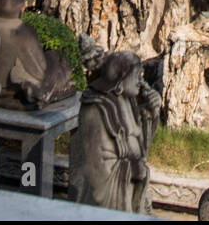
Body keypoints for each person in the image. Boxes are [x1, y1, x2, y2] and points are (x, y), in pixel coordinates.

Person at [69, 51, 161, 214]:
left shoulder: (129, 100)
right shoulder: (95, 109)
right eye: (136, 76)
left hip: (131, 188)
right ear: (120, 80)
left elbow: (140, 142)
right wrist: (132, 169)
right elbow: (97, 166)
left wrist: (151, 112)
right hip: (108, 198)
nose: (140, 82)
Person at [0, 0, 76, 109]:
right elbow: (38, 71)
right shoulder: (21, 30)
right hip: (12, 90)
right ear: (20, 11)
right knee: (56, 58)